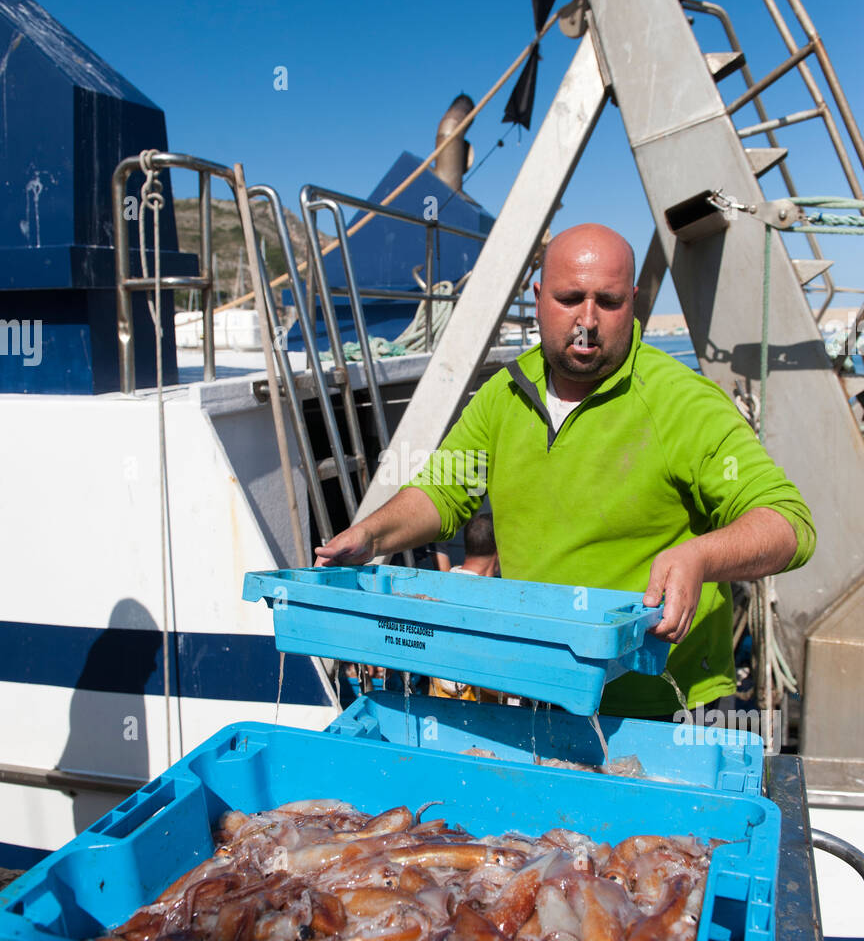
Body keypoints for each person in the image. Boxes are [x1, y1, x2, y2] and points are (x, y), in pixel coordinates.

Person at [315, 223, 815, 719]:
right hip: (539, 692)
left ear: (634, 301)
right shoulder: (505, 394)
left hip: (666, 706)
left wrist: (701, 555)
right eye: (570, 297)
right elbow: (445, 493)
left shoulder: (683, 402)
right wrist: (371, 535)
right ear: (538, 297)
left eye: (610, 301)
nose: (587, 320)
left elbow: (789, 523)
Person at [427, 512, 501, 701]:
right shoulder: (492, 602)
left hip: (436, 704)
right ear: (499, 554)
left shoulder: (437, 588)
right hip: (477, 712)